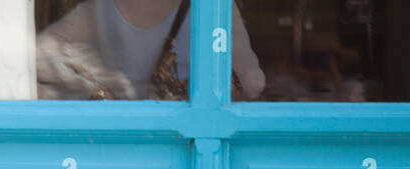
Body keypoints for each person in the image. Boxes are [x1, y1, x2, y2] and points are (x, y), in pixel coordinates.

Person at [39, 0, 265, 100]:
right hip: (186, 136)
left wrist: (92, 78)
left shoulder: (97, 9)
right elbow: (253, 85)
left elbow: (36, 53)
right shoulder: (215, 7)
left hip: (120, 134)